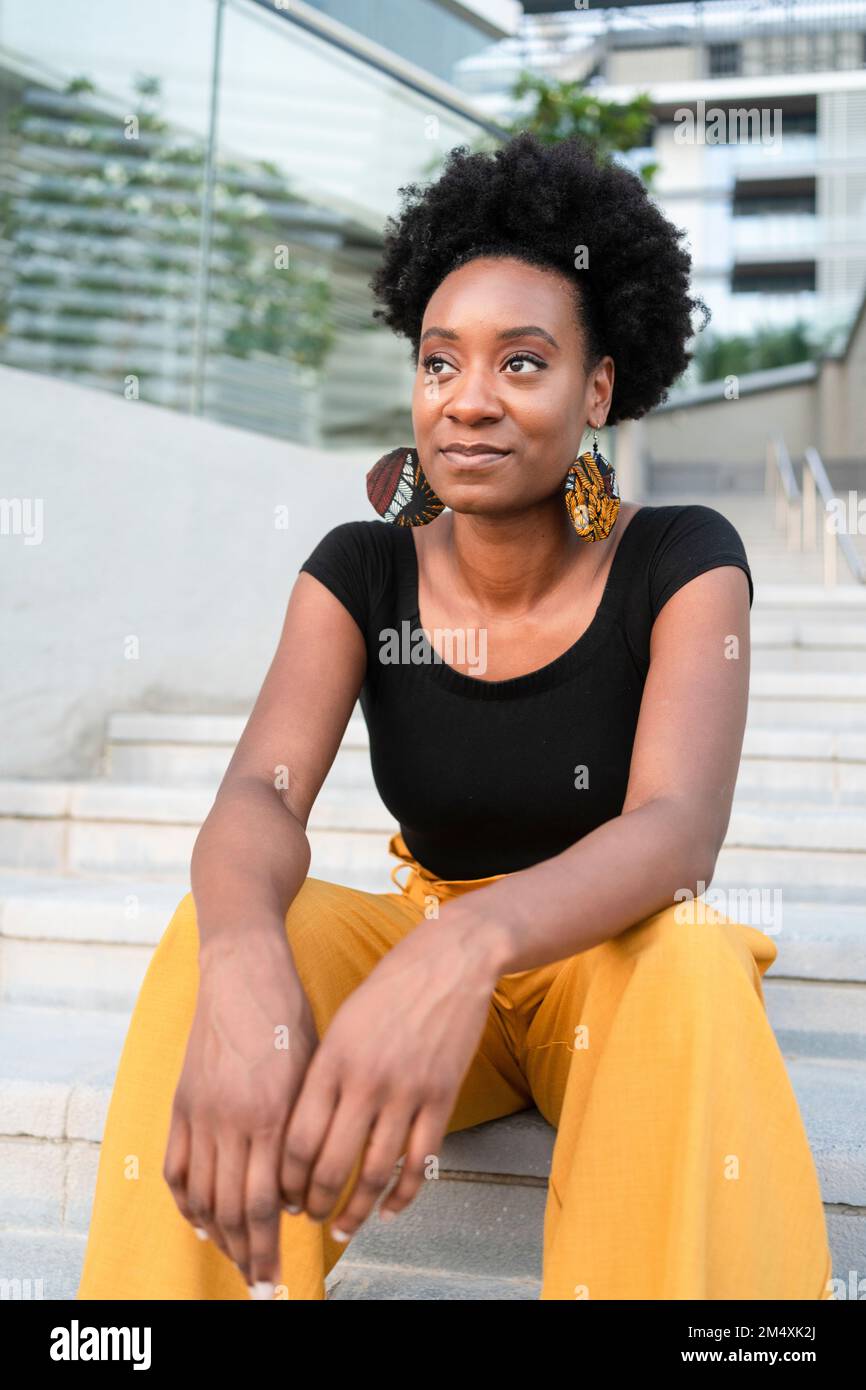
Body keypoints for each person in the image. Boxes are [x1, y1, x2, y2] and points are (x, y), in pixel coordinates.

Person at [76, 132, 833, 1301]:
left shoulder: (681, 557)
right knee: (213, 938)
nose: (467, 401)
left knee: (690, 962)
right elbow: (257, 796)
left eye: (520, 365)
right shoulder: (362, 569)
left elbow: (677, 828)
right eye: (439, 364)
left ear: (596, 389)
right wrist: (239, 954)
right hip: (423, 948)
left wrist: (466, 948)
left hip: (610, 962)